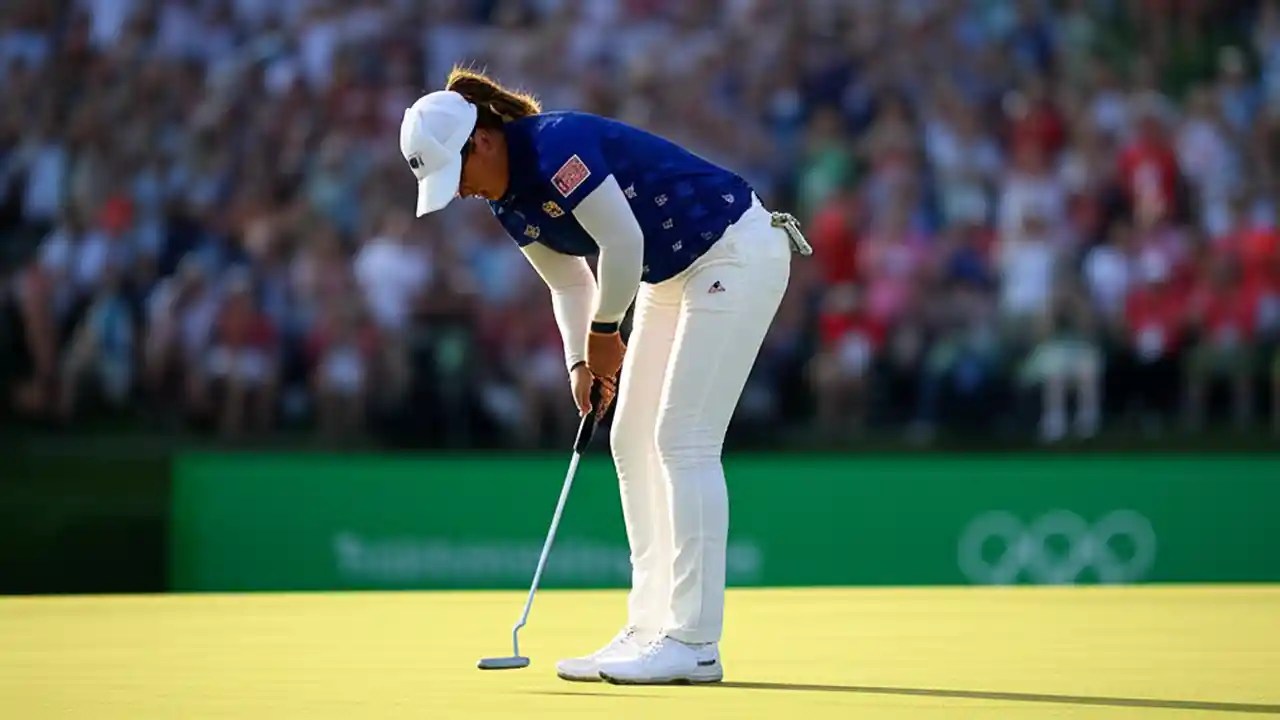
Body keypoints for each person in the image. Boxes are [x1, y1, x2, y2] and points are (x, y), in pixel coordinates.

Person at [399, 66, 808, 684]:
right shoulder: (505, 201)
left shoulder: (555, 147)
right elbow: (568, 279)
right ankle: (648, 627)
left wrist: (605, 333)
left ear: (482, 139)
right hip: (671, 275)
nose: (459, 192)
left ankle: (694, 642)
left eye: (458, 175)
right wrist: (580, 360)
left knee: (683, 439)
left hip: (735, 250)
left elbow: (621, 244)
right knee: (629, 438)